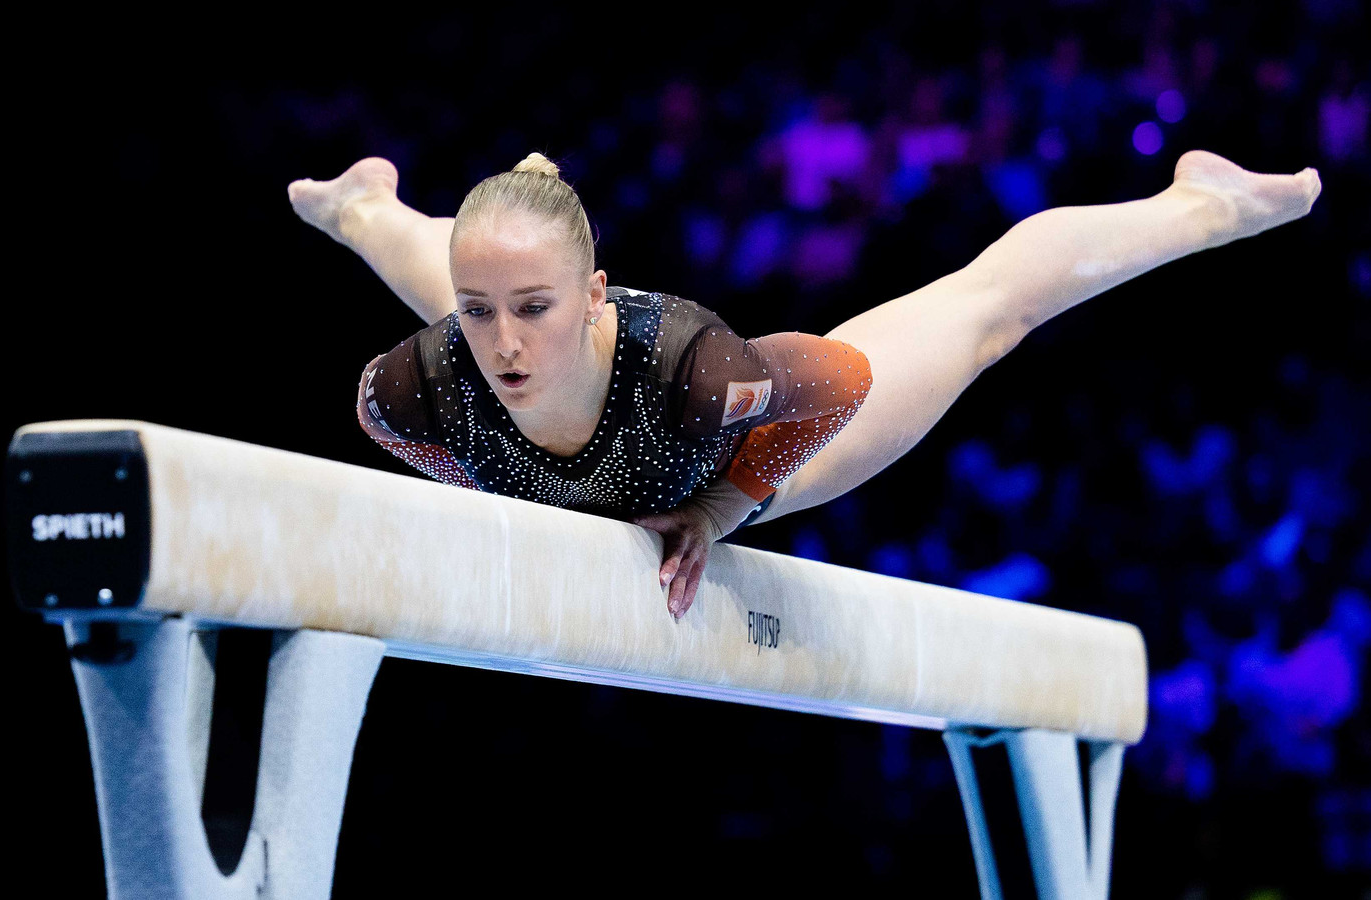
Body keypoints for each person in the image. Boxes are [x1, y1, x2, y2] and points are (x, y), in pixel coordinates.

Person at [288, 150, 1320, 619]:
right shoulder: (427, 377)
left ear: (598, 294)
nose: (499, 337)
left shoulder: (696, 373)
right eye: (477, 313)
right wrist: (497, 503)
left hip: (737, 457)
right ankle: (365, 207)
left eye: (541, 306)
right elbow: (405, 410)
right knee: (492, 321)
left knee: (982, 316)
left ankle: (1200, 203)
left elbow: (837, 379)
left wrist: (721, 506)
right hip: (566, 414)